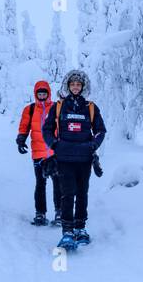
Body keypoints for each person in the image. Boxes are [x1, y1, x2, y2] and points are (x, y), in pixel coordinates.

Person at [43, 69, 105, 248]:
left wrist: (93, 146)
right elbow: (46, 129)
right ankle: (67, 231)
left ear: (83, 86)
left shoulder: (90, 107)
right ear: (67, 86)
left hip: (84, 159)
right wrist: (54, 145)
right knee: (67, 194)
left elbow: (101, 130)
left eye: (79, 84)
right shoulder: (59, 106)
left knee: (82, 194)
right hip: (64, 159)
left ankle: (80, 228)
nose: (76, 87)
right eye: (72, 84)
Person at [16, 80, 62, 226]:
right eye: (39, 93)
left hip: (54, 152)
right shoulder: (29, 110)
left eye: (44, 93)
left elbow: (62, 126)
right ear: (36, 94)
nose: (42, 96)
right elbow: (24, 126)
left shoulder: (56, 107)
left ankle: (60, 213)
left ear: (48, 93)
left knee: (58, 183)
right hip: (38, 154)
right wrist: (21, 139)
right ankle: (40, 214)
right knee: (40, 184)